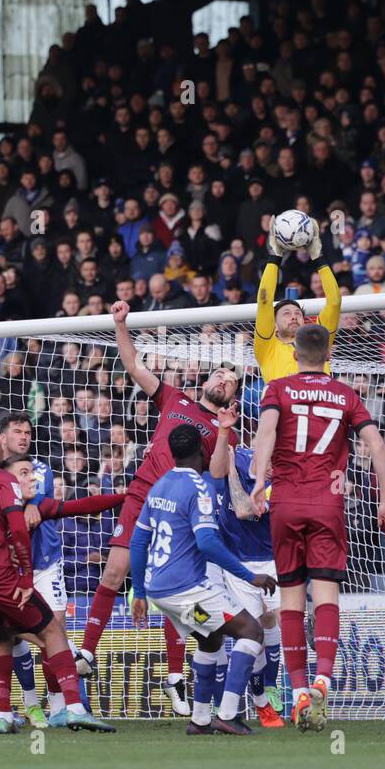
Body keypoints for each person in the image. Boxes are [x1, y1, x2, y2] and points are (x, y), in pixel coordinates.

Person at [75, 299, 240, 721]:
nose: (223, 379)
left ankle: (173, 678)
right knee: (114, 572)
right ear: (208, 378)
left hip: (182, 510)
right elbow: (132, 365)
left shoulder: (222, 429)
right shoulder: (175, 399)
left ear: (232, 398)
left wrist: (223, 434)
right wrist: (120, 324)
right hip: (143, 495)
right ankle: (87, 654)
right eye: (221, 372)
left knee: (172, 593)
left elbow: (219, 474)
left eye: (231, 381)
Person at [249, 324, 385, 730]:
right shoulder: (346, 394)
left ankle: (298, 691)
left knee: (292, 600)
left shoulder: (278, 389)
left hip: (286, 503)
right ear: (328, 352)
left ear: (294, 353)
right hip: (329, 505)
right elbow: (378, 445)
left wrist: (259, 481)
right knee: (327, 595)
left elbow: (265, 432)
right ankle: (323, 678)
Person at [0, 422, 114, 732]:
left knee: (1, 636)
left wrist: (122, 497)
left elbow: (78, 505)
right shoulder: (2, 479)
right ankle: (72, 708)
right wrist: (23, 578)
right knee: (52, 630)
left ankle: (4, 715)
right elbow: (20, 530)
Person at [129, 424, 278, 735]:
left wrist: (140, 591)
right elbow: (207, 543)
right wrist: (249, 576)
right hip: (187, 590)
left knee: (210, 638)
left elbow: (138, 542)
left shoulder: (159, 486)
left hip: (160, 592)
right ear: (202, 451)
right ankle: (226, 713)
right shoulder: (199, 488)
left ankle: (199, 719)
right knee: (251, 632)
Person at [1, 452, 122, 725]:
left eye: (31, 472)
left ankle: (59, 707)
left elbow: (82, 506)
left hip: (41, 567)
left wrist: (125, 497)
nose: (32, 477)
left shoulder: (39, 505)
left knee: (52, 628)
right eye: (24, 473)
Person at [206, 402, 285, 727]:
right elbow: (214, 471)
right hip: (238, 565)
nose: (272, 464)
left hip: (274, 560)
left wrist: (235, 473)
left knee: (276, 623)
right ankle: (260, 700)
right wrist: (225, 434)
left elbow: (243, 509)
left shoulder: (280, 480)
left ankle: (274, 688)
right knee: (250, 633)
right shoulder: (236, 458)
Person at [253, 218, 342, 382]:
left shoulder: (318, 341)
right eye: (286, 313)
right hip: (285, 408)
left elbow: (334, 301)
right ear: (274, 326)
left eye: (297, 313)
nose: (294, 316)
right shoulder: (267, 348)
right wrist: (275, 255)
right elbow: (265, 300)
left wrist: (317, 256)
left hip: (320, 406)